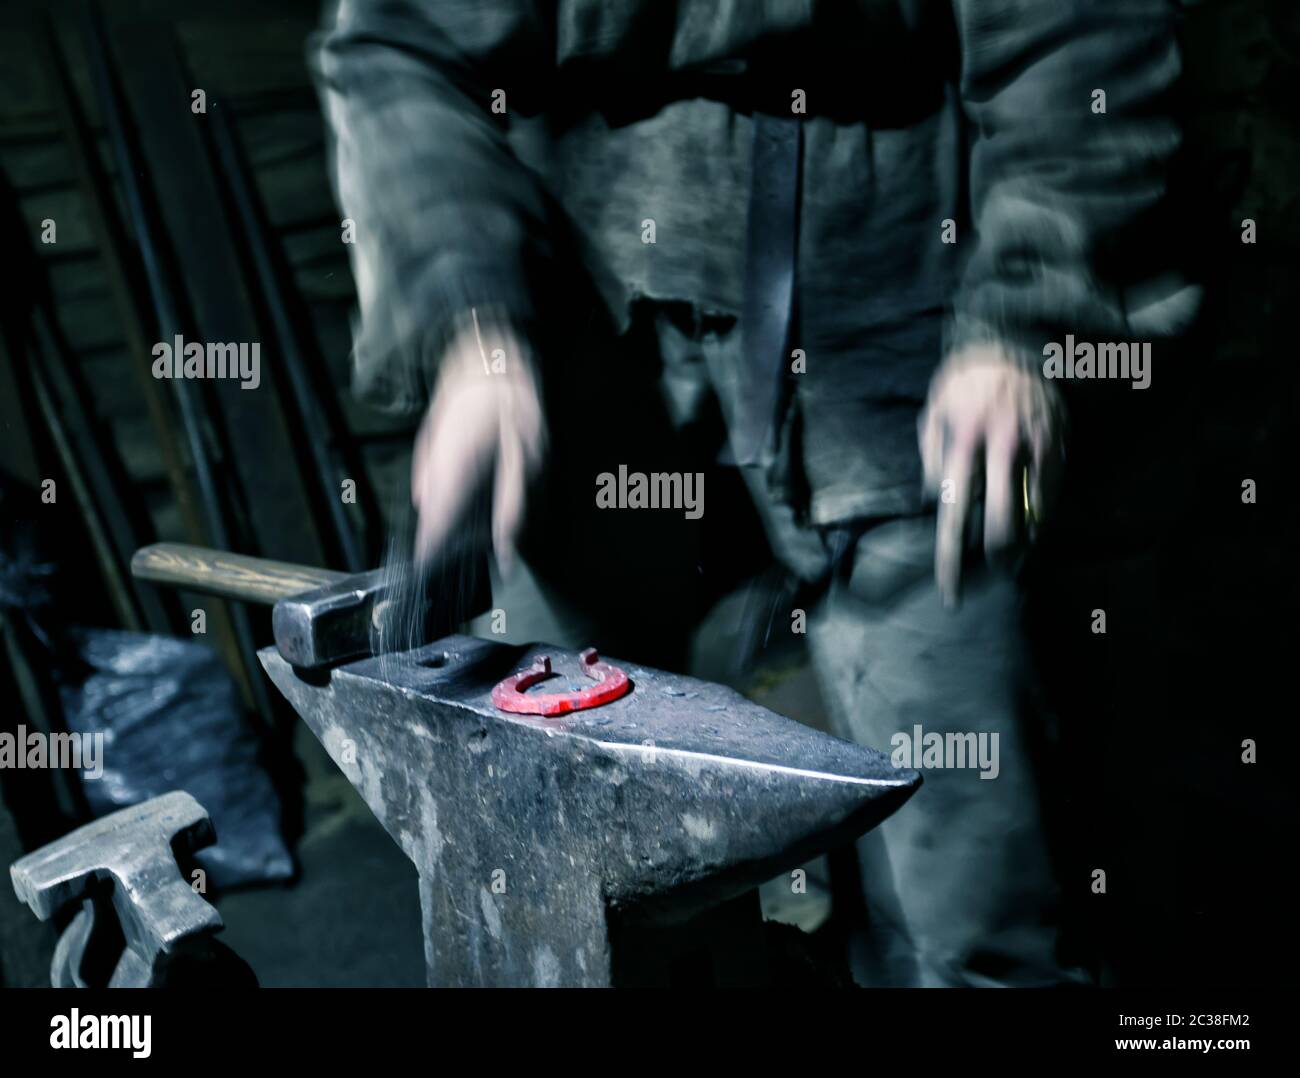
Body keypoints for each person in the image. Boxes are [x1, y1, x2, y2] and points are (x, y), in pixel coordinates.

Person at [313, 0, 1199, 986]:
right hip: (578, 336)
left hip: (896, 327)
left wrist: (1027, 309)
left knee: (970, 885)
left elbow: (1077, 36)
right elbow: (397, 43)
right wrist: (465, 309)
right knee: (563, 853)